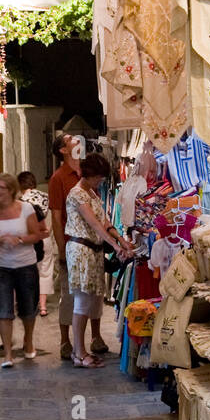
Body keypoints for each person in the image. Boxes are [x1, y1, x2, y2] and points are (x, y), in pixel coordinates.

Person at [64, 152, 134, 369]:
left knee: (91, 301)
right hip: (81, 250)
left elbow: (105, 223)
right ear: (90, 174)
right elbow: (94, 224)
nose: (101, 181)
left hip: (93, 251)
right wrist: (114, 246)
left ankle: (81, 350)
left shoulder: (92, 194)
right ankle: (79, 352)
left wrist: (122, 241)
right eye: (99, 178)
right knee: (82, 301)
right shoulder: (77, 194)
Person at [49, 132, 110, 360]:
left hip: (91, 244)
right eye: (71, 140)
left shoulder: (87, 172)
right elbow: (56, 217)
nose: (78, 141)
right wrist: (61, 247)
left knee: (95, 291)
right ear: (64, 150)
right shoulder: (59, 178)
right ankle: (67, 341)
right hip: (73, 243)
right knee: (71, 294)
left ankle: (94, 336)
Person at [0, 172, 48, 367]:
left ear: (11, 190)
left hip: (26, 264)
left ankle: (28, 341)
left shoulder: (26, 209)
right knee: (3, 310)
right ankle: (8, 355)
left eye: (0, 188)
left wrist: (19, 239)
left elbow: (37, 235)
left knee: (28, 308)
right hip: (1, 267)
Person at [18, 170, 53, 317]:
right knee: (45, 272)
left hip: (30, 241)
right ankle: (43, 306)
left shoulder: (21, 201)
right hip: (46, 238)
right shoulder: (45, 197)